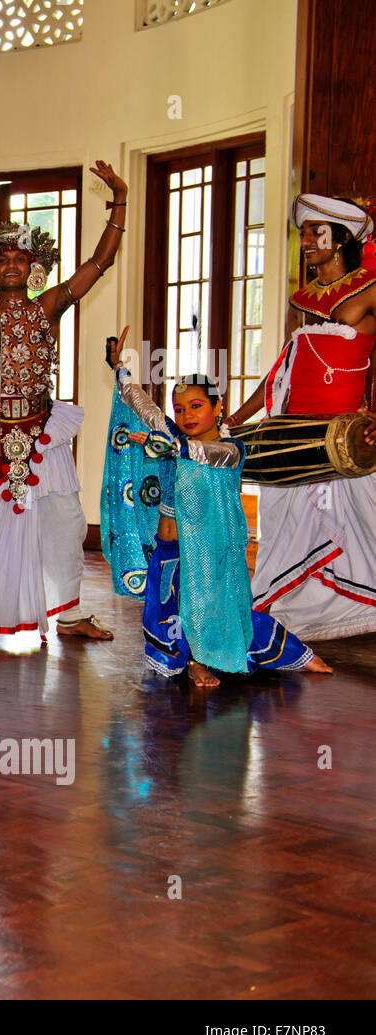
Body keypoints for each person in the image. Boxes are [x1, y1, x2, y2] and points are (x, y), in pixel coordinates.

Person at [0, 160, 128, 643]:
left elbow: (99, 264)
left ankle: (71, 617)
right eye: (2, 259)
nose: (11, 264)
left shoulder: (47, 306)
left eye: (20, 258)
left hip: (42, 431)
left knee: (63, 523)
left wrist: (118, 200)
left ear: (33, 269)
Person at [103, 329, 331, 688]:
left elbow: (207, 455)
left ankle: (287, 655)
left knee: (213, 607)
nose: (186, 415)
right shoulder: (174, 437)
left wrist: (171, 445)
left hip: (206, 551)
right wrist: (119, 368)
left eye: (196, 406)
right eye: (179, 409)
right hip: (168, 550)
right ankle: (193, 661)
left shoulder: (230, 449)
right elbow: (141, 404)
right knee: (169, 612)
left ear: (217, 406)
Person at [224, 194, 376, 640]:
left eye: (315, 232)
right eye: (304, 232)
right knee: (287, 524)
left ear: (342, 237)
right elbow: (282, 369)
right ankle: (293, 605)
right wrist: (237, 417)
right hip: (298, 433)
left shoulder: (371, 288)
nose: (306, 241)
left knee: (365, 525)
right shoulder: (305, 300)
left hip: (347, 435)